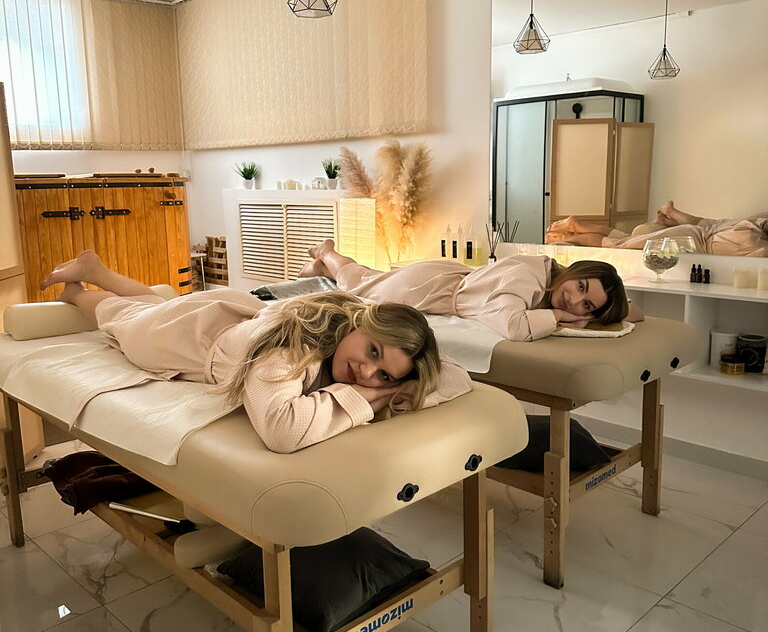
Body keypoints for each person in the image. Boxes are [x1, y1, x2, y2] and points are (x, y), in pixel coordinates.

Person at [40, 251, 471, 454]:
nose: (366, 371)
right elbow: (283, 431)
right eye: (373, 350)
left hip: (226, 314)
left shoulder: (348, 332)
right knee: (122, 318)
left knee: (156, 304)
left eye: (385, 375)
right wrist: (368, 397)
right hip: (188, 338)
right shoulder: (291, 349)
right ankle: (76, 291)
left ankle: (99, 269)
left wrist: (402, 383)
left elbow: (458, 377)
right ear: (359, 322)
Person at [298, 240, 633, 343]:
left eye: (587, 305)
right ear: (574, 272)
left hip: (446, 279)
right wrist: (559, 316)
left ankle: (322, 267)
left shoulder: (548, 277)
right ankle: (327, 253)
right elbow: (512, 326)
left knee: (369, 277)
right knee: (358, 284)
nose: (574, 300)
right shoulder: (527, 277)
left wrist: (604, 313)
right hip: (430, 289)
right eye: (580, 286)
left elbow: (632, 311)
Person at [547, 203, 768, 257]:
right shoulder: (757, 246)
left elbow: (709, 224)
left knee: (627, 239)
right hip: (688, 244)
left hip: (690, 236)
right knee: (620, 246)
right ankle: (572, 237)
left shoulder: (754, 225)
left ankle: (577, 229)